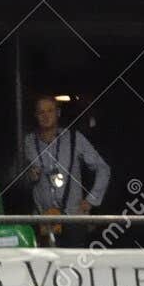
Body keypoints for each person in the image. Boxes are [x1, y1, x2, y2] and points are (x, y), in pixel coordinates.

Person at [18, 94, 109, 243]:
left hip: (73, 217)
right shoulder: (29, 142)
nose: (46, 116)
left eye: (50, 111)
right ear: (36, 115)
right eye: (41, 112)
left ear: (58, 113)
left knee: (73, 264)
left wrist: (91, 200)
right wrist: (29, 176)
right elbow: (18, 177)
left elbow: (103, 168)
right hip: (44, 218)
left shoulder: (74, 138)